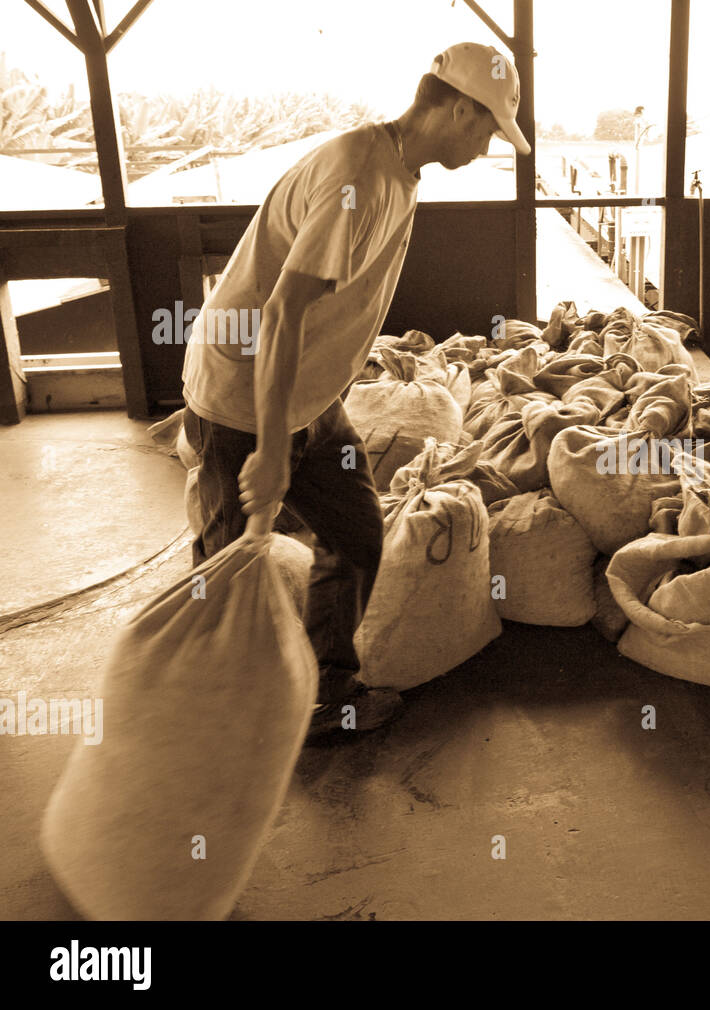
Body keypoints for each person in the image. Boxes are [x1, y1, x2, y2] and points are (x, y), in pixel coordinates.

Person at [180, 42, 529, 741]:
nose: (489, 145)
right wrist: (273, 451)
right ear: (459, 109)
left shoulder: (397, 168)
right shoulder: (359, 179)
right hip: (242, 400)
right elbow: (279, 315)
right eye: (489, 130)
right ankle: (211, 720)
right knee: (227, 571)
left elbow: (329, 303)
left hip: (308, 397)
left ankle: (324, 696)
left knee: (356, 534)